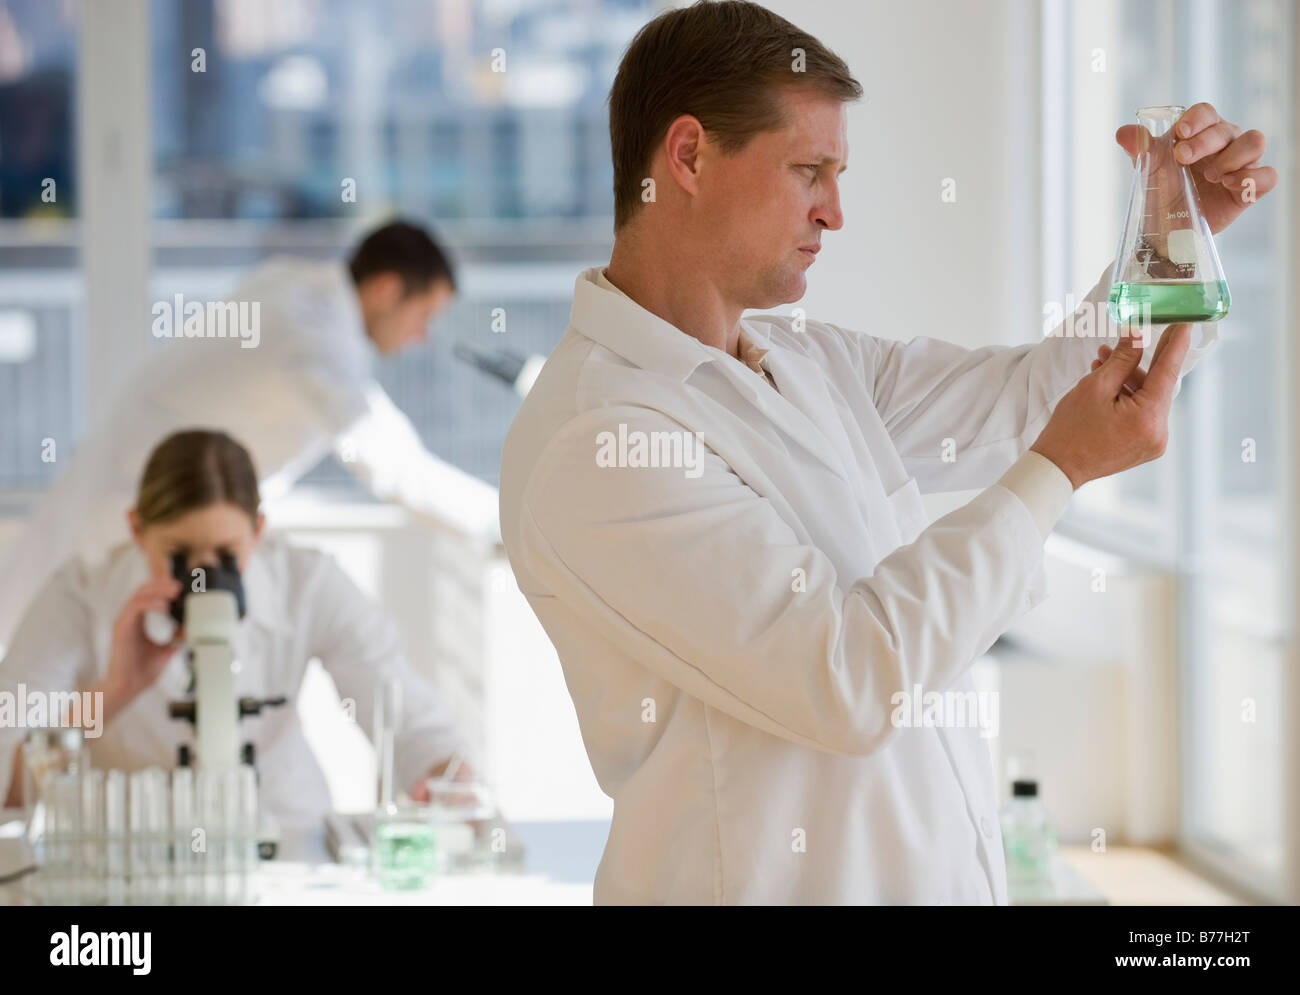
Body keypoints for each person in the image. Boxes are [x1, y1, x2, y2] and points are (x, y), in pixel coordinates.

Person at [498, 0, 1276, 904]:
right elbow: (849, 677)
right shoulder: (598, 440)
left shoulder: (805, 358)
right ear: (688, 156)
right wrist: (1059, 471)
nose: (835, 212)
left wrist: (1177, 237)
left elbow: (1034, 398)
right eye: (808, 171)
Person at [0, 219, 497, 648]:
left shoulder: (296, 289)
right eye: (424, 315)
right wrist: (503, 528)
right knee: (67, 663)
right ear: (387, 289)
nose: (422, 335)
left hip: (135, 488)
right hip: (137, 506)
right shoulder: (311, 333)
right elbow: (390, 463)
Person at [0, 430, 476, 829]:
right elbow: (10, 779)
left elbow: (406, 716)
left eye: (227, 556)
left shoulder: (308, 585)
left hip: (284, 833)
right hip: (136, 848)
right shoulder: (80, 594)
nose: (204, 578)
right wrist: (114, 692)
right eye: (180, 555)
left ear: (259, 530)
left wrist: (447, 782)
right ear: (137, 530)